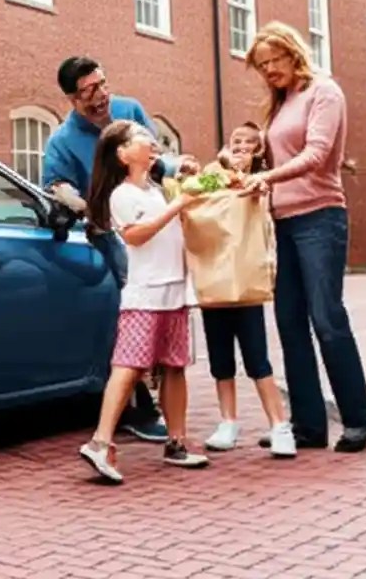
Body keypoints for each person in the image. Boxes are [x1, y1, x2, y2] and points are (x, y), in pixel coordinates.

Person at [43, 56, 199, 444]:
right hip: (111, 233)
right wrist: (92, 210)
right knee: (137, 314)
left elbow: (154, 157)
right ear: (71, 98)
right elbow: (56, 187)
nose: (101, 96)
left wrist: (179, 167)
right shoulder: (62, 141)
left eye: (103, 84)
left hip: (153, 220)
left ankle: (162, 394)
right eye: (89, 91)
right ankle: (138, 407)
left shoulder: (129, 110)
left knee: (169, 306)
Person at [241, 21, 366, 453]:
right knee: (289, 322)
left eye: (273, 61)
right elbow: (273, 154)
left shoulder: (324, 92)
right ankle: (308, 426)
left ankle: (358, 420)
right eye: (261, 66)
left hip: (320, 218)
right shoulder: (282, 104)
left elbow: (317, 155)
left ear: (293, 53)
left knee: (327, 318)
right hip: (285, 222)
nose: (268, 72)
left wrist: (266, 177)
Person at [78, 120, 210, 483]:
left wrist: (197, 186)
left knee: (175, 365)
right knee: (128, 366)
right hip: (145, 294)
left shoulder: (159, 189)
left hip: (173, 291)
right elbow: (136, 236)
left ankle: (177, 442)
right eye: (142, 139)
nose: (152, 144)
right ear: (122, 153)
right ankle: (100, 443)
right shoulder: (122, 195)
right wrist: (178, 204)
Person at [200, 122, 296, 457]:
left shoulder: (262, 180)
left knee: (257, 358)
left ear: (258, 150)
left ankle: (279, 425)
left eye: (249, 143)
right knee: (220, 358)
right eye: (235, 140)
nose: (241, 146)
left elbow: (261, 203)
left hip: (244, 279)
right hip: (214, 277)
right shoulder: (212, 173)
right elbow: (195, 193)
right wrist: (225, 168)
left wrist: (249, 176)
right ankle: (228, 421)